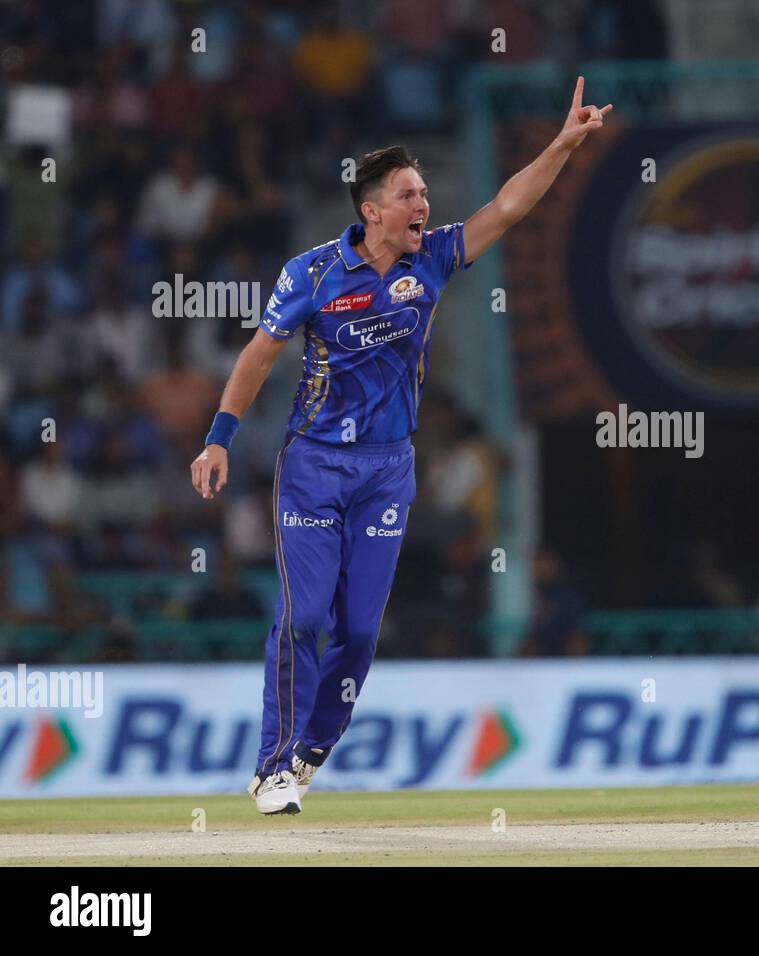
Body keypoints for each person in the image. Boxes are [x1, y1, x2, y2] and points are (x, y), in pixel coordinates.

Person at [190, 78, 613, 815]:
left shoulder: (434, 260)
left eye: (424, 193)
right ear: (372, 210)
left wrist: (563, 144)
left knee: (357, 628)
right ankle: (271, 766)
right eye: (411, 196)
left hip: (388, 470)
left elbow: (508, 207)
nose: (425, 206)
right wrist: (219, 440)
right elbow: (258, 356)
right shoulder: (313, 273)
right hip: (313, 467)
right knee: (307, 617)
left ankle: (316, 745)